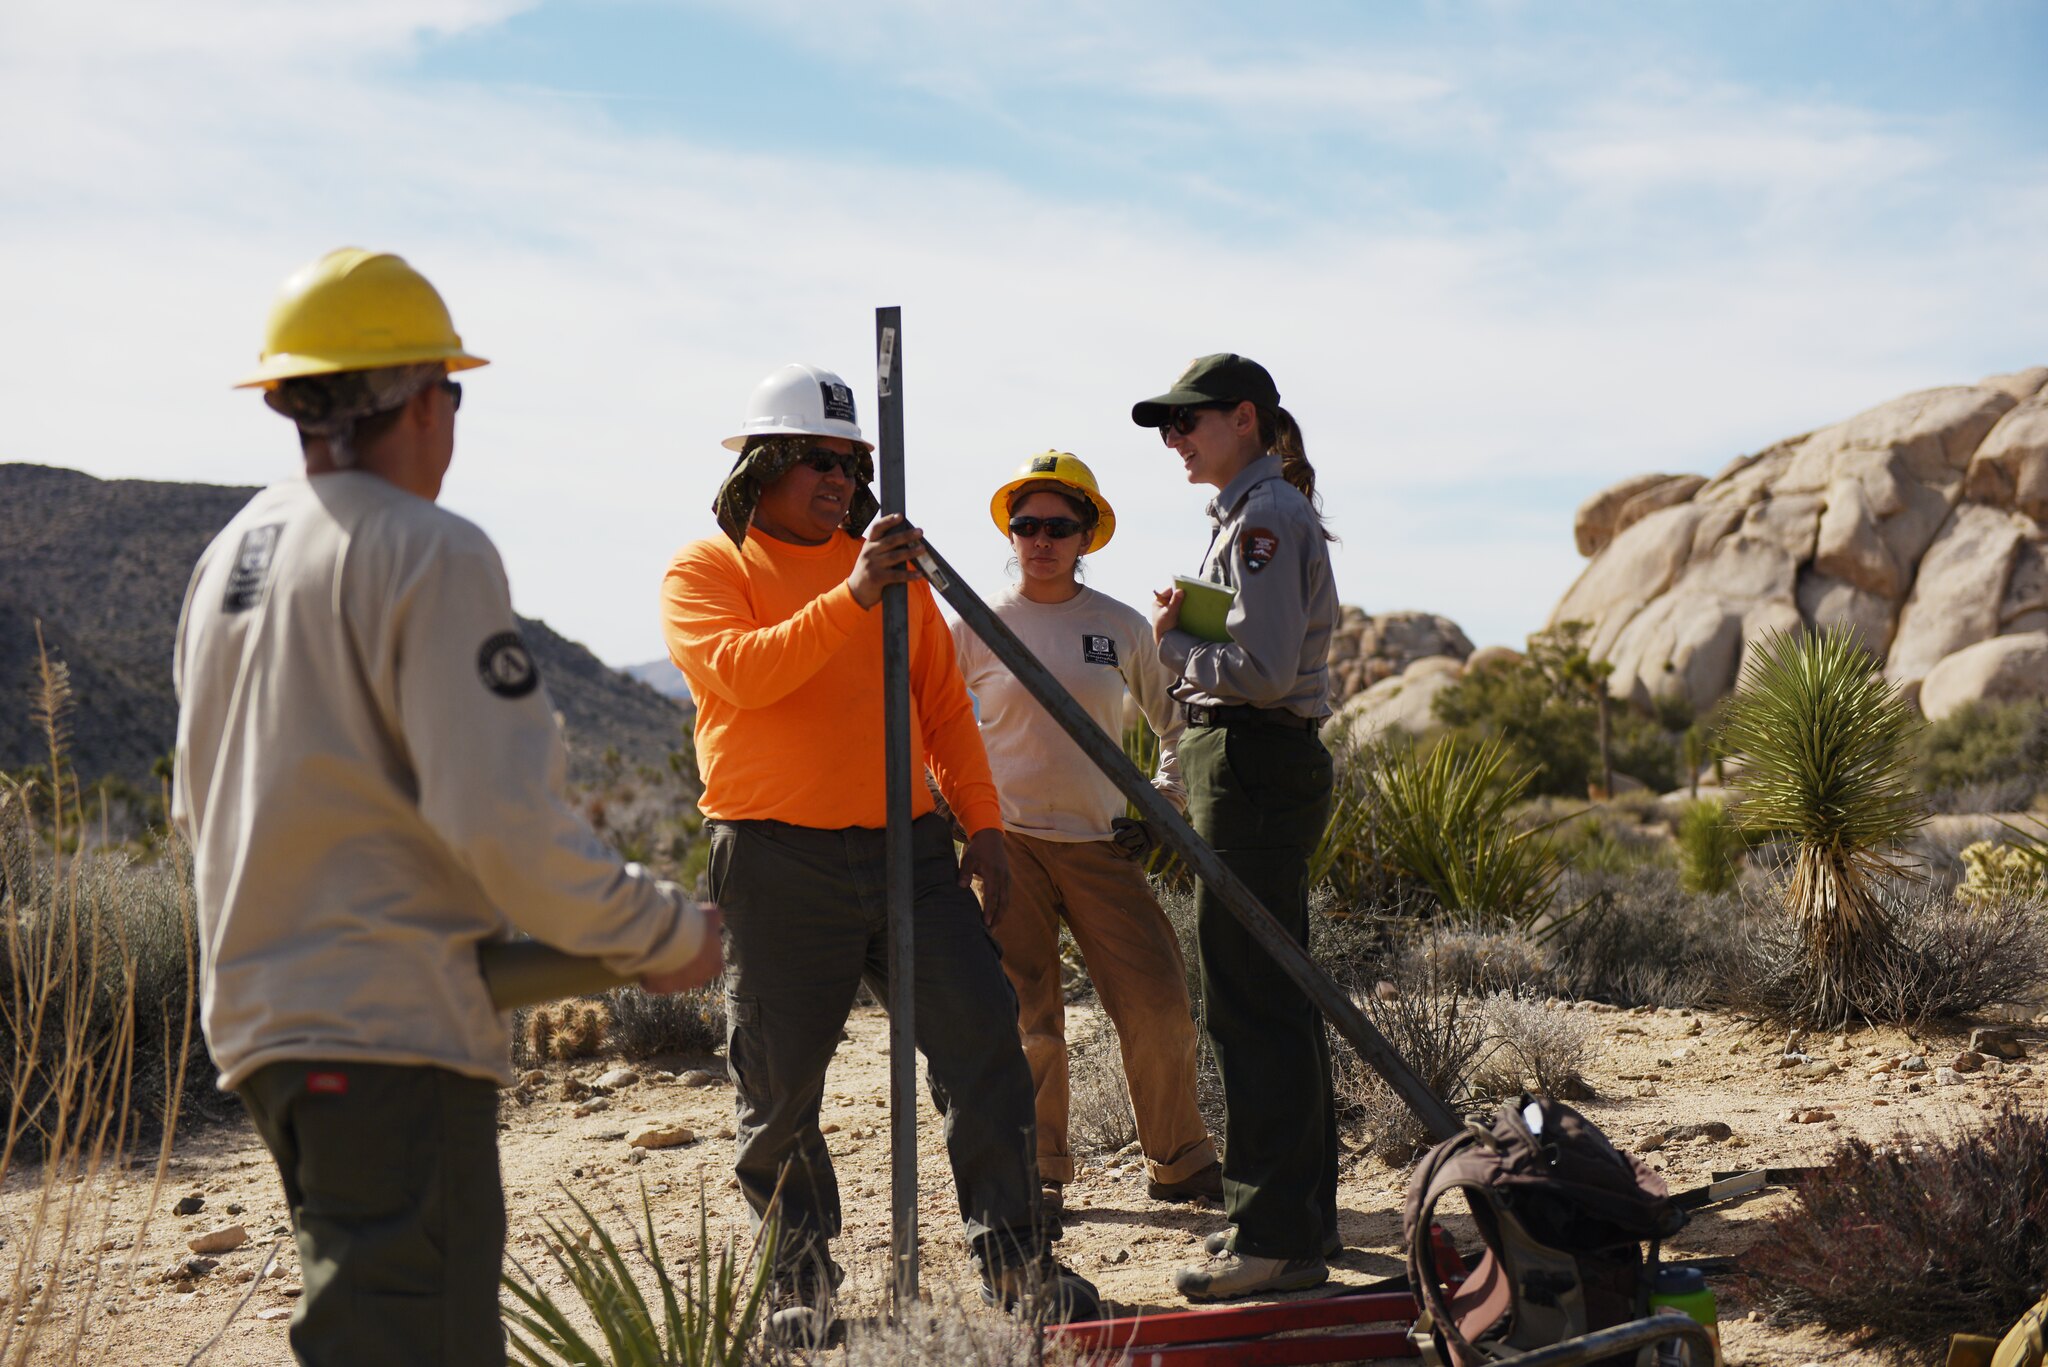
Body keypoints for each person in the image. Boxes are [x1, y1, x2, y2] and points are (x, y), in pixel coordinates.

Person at [174, 247, 721, 1367]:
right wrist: (658, 933)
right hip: (388, 1034)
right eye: (452, 392)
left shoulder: (230, 557)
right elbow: (500, 820)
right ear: (422, 401)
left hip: (264, 1027)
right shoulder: (427, 549)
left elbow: (203, 806)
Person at [660, 365, 1099, 1343]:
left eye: (851, 459)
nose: (839, 476)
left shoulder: (890, 579)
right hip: (774, 861)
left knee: (983, 1042)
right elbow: (744, 675)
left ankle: (1017, 1261)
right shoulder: (708, 568)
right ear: (764, 465)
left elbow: (942, 709)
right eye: (818, 457)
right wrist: (856, 593)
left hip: (908, 849)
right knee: (777, 1088)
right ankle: (800, 1283)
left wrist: (981, 831)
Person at [951, 451, 1220, 1224]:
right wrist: (960, 813)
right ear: (1011, 532)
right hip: (1008, 843)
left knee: (1160, 1001)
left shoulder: (1119, 625)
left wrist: (1168, 800)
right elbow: (931, 714)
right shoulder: (977, 621)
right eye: (1026, 524)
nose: (1041, 539)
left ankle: (1180, 1161)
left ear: (1086, 534)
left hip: (1104, 841)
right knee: (1028, 1012)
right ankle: (1037, 1171)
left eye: (1057, 526)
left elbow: (1179, 718)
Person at [1131, 354, 1341, 1301]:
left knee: (1253, 1000)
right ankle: (1284, 1224)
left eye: (1191, 421)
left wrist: (1173, 642)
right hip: (1244, 760)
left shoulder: (1263, 519)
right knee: (1266, 994)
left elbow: (1254, 673)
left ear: (1245, 419)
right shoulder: (1249, 518)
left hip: (1253, 756)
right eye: (1169, 427)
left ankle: (1275, 1237)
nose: (1176, 440)